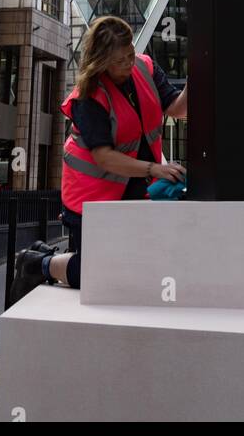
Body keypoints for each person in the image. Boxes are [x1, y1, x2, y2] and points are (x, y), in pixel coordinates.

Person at [16, 16, 186, 294]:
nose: (129, 63)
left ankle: (45, 259)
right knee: (96, 273)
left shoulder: (145, 67)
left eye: (130, 53)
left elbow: (177, 109)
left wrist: (197, 80)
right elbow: (104, 158)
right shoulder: (89, 96)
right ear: (101, 61)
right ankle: (38, 263)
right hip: (91, 197)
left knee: (135, 264)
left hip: (131, 187)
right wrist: (154, 170)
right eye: (120, 61)